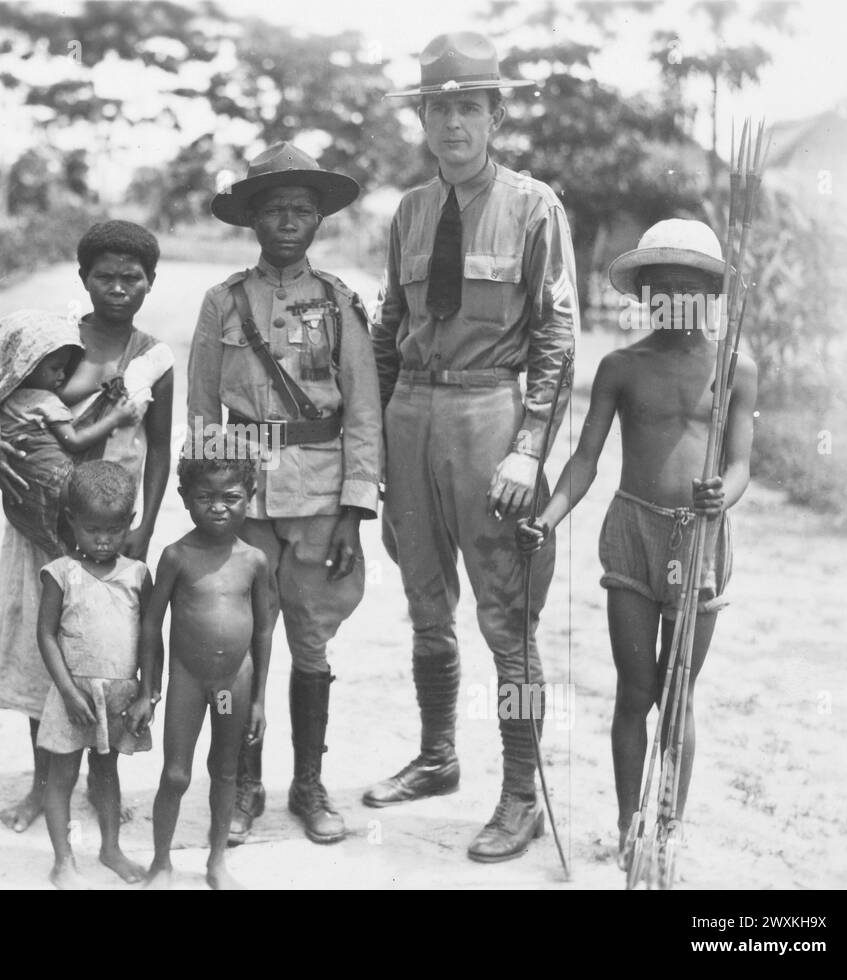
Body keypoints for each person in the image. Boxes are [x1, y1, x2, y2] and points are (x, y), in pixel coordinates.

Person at [367, 31, 578, 863]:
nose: (452, 123)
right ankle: (437, 756)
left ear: (495, 115)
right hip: (413, 416)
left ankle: (521, 793)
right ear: (422, 118)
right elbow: (389, 333)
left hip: (492, 412)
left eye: (468, 107)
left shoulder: (535, 207)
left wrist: (530, 447)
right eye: (438, 107)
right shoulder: (411, 213)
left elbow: (557, 339)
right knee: (425, 600)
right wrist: (379, 444)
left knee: (507, 616)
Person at [516, 218, 757, 870]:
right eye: (663, 288)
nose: (675, 301)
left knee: (679, 695)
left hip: (700, 539)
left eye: (690, 288)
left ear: (710, 294)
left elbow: (739, 464)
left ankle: (667, 827)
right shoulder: (621, 366)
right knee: (636, 691)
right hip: (633, 536)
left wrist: (723, 494)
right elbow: (586, 457)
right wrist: (551, 514)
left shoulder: (736, 368)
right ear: (646, 295)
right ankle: (629, 827)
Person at [186, 142, 381, 845]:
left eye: (301, 209)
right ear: (254, 220)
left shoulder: (337, 302)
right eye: (275, 209)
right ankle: (243, 785)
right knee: (238, 642)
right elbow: (203, 406)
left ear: (317, 220)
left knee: (311, 640)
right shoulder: (223, 302)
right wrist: (211, 501)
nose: (289, 221)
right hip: (242, 499)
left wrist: (357, 511)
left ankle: (308, 784)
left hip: (320, 498)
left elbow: (362, 410)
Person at [0, 220, 173, 833]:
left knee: (109, 658)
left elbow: (158, 450)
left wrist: (146, 528)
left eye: (132, 278)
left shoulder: (152, 358)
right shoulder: (51, 343)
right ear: (83, 279)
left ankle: (104, 783)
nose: (118, 288)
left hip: (113, 531)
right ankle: (43, 783)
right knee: (43, 651)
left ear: (150, 282)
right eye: (104, 276)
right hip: (44, 524)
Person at [128, 456, 273, 889]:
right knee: (176, 773)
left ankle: (215, 863)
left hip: (233, 685)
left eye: (231, 498)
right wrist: (148, 688)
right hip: (188, 682)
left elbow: (264, 629)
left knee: (225, 770)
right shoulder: (177, 556)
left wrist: (261, 699)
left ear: (250, 498)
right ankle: (160, 863)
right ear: (184, 499)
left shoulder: (254, 561)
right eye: (205, 498)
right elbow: (151, 624)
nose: (218, 507)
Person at [36, 461, 153, 889]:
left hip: (118, 697)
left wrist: (148, 694)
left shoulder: (137, 574)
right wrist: (67, 691)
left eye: (114, 530)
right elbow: (46, 635)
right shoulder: (60, 573)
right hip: (74, 696)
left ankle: (111, 848)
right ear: (71, 521)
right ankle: (62, 860)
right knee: (61, 775)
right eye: (91, 529)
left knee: (107, 774)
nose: (102, 540)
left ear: (130, 523)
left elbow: (149, 639)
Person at [0, 309, 141, 556]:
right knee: (97, 509)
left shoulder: (0, 397)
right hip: (55, 480)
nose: (62, 376)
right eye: (56, 368)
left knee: (59, 547)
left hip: (23, 495)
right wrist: (116, 417)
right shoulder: (44, 400)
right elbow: (73, 442)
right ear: (28, 366)